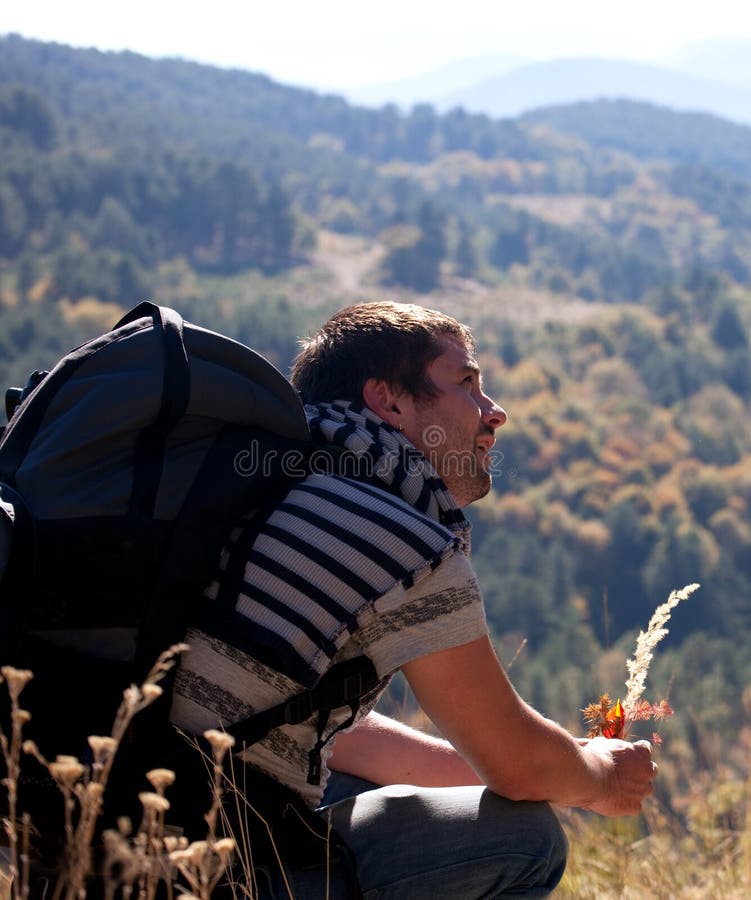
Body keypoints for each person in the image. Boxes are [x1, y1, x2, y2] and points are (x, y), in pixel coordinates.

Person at [169, 300, 657, 898]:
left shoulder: (272, 485)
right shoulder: (400, 540)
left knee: (365, 787)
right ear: (390, 401)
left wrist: (554, 764)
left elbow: (323, 727)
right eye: (468, 384)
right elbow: (519, 766)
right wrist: (602, 779)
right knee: (524, 839)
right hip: (216, 857)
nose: (495, 412)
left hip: (112, 817)